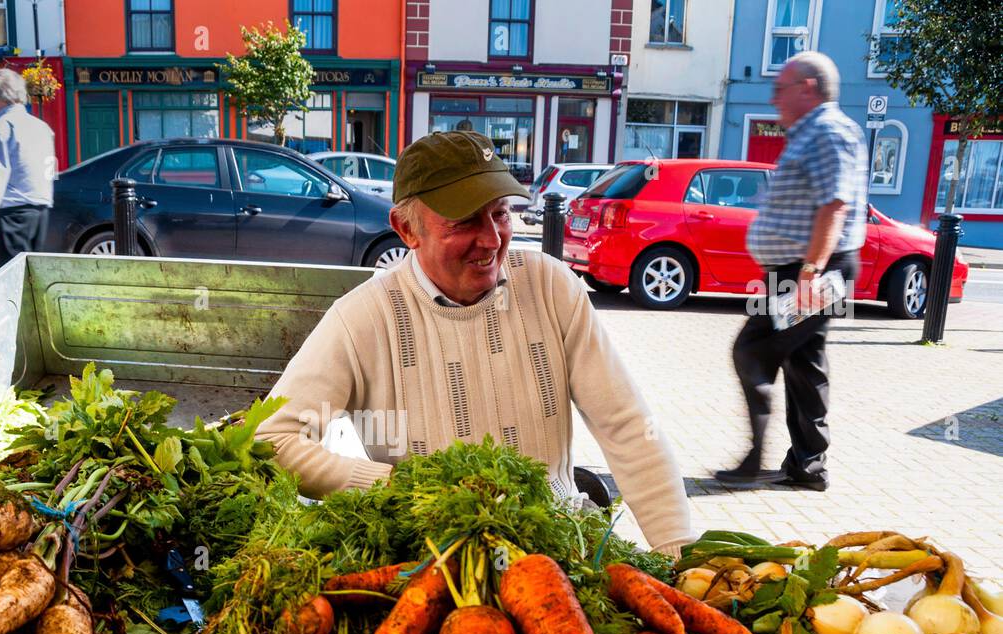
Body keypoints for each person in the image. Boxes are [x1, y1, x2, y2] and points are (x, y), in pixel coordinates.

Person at [254, 131, 693, 556]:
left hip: (560, 551)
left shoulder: (550, 285)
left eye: (499, 213)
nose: (491, 239)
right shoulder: (363, 318)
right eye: (464, 221)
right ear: (407, 229)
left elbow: (628, 427)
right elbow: (273, 439)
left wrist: (680, 555)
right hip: (433, 563)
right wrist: (389, 485)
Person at [716, 51, 868, 492]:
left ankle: (754, 461)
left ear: (808, 88)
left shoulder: (827, 131)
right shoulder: (811, 133)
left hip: (811, 273)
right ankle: (807, 467)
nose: (774, 98)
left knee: (752, 349)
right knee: (804, 364)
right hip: (801, 271)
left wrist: (809, 274)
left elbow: (833, 205)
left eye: (780, 89)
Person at [0, 68, 55, 268]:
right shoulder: (41, 127)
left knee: (14, 280)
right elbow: (49, 171)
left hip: (13, 214)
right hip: (41, 211)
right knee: (32, 277)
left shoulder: (1, 128)